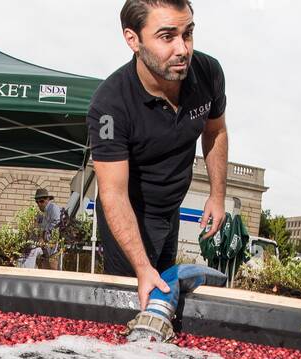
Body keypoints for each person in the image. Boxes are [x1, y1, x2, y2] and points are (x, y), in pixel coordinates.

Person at [87, 0, 229, 309]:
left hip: (170, 209)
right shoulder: (110, 105)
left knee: (167, 297)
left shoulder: (207, 73)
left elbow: (215, 130)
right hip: (130, 216)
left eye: (187, 34)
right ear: (132, 39)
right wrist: (140, 267)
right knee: (135, 303)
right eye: (167, 37)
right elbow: (112, 194)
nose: (182, 49)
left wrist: (217, 196)